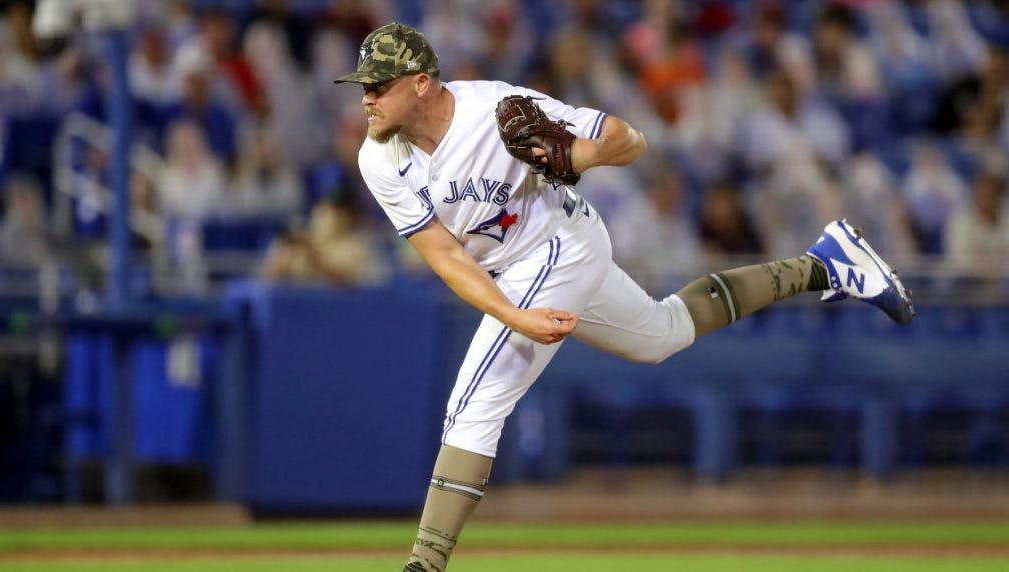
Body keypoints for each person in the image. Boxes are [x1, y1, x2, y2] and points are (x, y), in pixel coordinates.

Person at [334, 23, 915, 572]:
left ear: (420, 83)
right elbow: (446, 257)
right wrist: (514, 316)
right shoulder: (378, 158)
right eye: (363, 86)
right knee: (662, 335)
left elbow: (629, 140)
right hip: (510, 272)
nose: (367, 98)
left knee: (475, 403)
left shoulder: (494, 108)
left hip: (560, 244)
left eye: (378, 85)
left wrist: (572, 155)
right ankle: (822, 265)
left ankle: (425, 563)